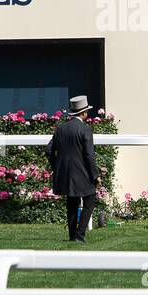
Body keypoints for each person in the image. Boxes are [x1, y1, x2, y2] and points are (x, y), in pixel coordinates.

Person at [46, 95, 101, 243]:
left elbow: (49, 150)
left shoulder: (60, 129)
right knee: (89, 201)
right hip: (82, 173)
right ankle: (80, 234)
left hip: (66, 173)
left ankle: (72, 236)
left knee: (72, 204)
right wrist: (95, 176)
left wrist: (57, 166)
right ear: (83, 113)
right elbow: (89, 155)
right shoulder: (85, 129)